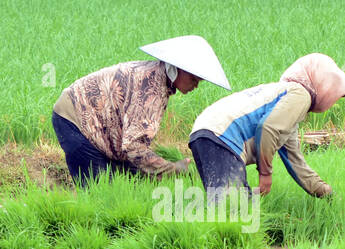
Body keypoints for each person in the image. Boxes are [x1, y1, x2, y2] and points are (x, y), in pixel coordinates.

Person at [51, 36, 230, 185]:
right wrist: (172, 169)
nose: (195, 86)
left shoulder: (158, 76)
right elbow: (134, 148)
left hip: (95, 125)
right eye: (193, 79)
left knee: (126, 181)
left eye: (199, 81)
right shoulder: (151, 89)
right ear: (177, 70)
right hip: (75, 120)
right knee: (101, 192)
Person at [188, 53, 345, 202]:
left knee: (225, 206)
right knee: (235, 209)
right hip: (222, 136)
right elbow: (267, 128)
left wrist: (327, 194)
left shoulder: (284, 103)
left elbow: (296, 164)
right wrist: (265, 173)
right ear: (321, 82)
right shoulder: (300, 94)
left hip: (203, 134)